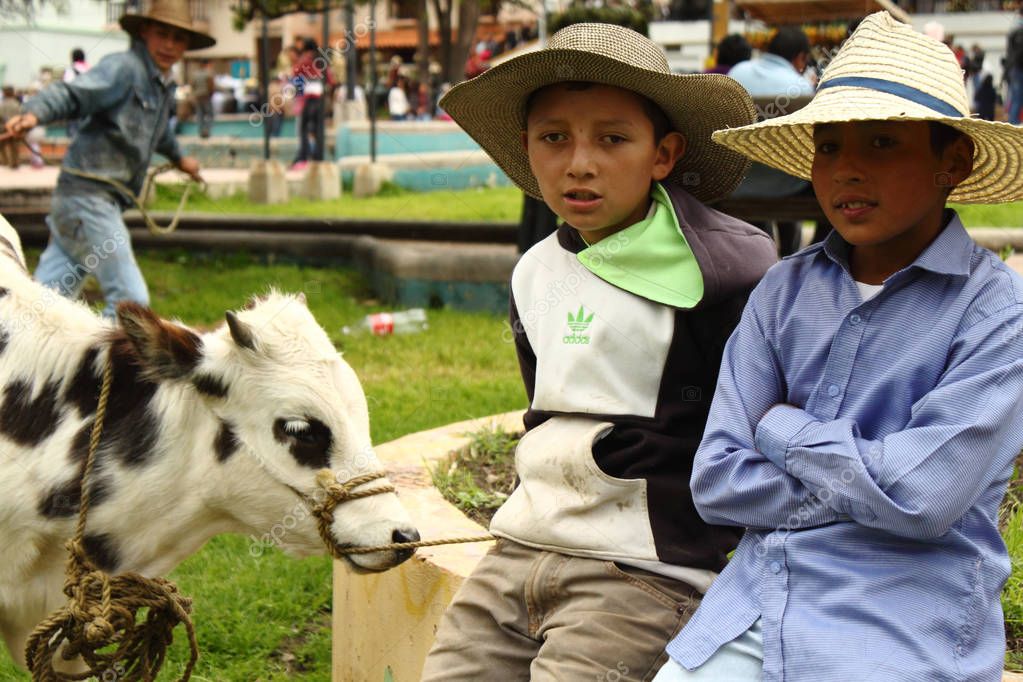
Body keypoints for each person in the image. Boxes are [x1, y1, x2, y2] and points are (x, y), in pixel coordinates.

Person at [653, 12, 1023, 681]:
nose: (845, 170)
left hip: (901, 631)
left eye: (880, 143)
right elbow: (715, 481)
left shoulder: (997, 313)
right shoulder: (783, 292)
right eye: (828, 146)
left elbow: (924, 496)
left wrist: (784, 430)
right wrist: (869, 484)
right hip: (754, 616)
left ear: (953, 162)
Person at [423, 22, 778, 680]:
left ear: (663, 154)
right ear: (526, 151)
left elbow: (755, 422)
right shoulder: (534, 271)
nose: (578, 162)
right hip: (517, 549)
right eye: (553, 138)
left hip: (643, 571)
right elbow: (544, 407)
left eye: (612, 139)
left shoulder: (725, 271)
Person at [3, 0, 212, 317]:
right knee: (131, 303)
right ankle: (96, 367)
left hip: (83, 203)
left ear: (186, 45)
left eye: (178, 38)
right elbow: (73, 94)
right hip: (88, 199)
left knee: (38, 310)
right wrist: (34, 115)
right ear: (144, 32)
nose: (169, 45)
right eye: (161, 33)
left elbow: (159, 133)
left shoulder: (162, 87)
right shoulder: (124, 69)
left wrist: (181, 159)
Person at [728, 26, 815, 257]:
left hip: (737, 184)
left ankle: (762, 254)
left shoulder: (738, 72)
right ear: (800, 58)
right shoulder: (801, 87)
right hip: (785, 187)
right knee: (789, 169)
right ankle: (790, 256)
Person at [291, 37, 335, 169]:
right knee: (318, 130)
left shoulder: (303, 61)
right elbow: (331, 81)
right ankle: (318, 158)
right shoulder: (321, 61)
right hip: (320, 99)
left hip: (307, 99)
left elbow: (296, 78)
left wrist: (298, 102)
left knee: (303, 129)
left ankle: (303, 158)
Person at [62, 48, 90, 138]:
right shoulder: (90, 69)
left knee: (72, 131)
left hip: (74, 103)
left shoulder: (70, 69)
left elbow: (66, 85)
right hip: (89, 104)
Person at [189, 58, 214, 138]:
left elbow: (192, 85)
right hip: (205, 96)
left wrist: (195, 94)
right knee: (209, 114)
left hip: (198, 96)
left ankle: (200, 132)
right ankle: (207, 131)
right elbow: (210, 85)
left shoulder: (195, 74)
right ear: (206, 64)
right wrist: (210, 94)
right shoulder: (208, 73)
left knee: (200, 115)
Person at [1006, 7, 1023, 124]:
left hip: (1015, 67)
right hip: (1018, 68)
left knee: (1016, 97)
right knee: (1017, 98)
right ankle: (1013, 124)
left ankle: (1014, 123)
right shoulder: (1018, 31)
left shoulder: (1014, 29)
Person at [0, 87, 20, 169]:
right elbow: (19, 116)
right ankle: (14, 163)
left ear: (4, 93)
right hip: (15, 127)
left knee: (1, 146)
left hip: (3, 127)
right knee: (14, 146)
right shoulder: (16, 104)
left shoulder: (2, 104)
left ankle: (4, 161)